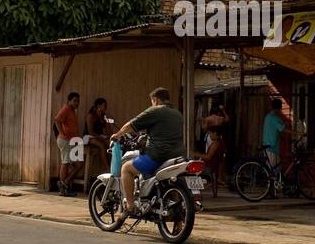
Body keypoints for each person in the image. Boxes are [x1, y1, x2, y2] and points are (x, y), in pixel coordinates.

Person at [110, 87, 185, 225]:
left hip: (158, 155)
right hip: (177, 155)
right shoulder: (177, 114)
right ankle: (178, 221)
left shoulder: (156, 110)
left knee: (126, 168)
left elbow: (131, 125)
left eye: (152, 101)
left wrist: (117, 135)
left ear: (155, 100)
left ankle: (130, 207)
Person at [53, 91, 82, 196]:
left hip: (73, 141)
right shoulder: (66, 109)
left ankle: (64, 183)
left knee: (78, 165)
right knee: (65, 163)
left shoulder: (72, 110)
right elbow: (57, 120)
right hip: (65, 140)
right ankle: (63, 188)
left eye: (78, 101)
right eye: (74, 101)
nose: (76, 103)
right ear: (69, 101)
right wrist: (62, 132)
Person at [199, 104, 229, 197]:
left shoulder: (208, 118)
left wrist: (202, 122)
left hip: (210, 136)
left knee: (209, 154)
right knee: (218, 157)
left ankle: (211, 176)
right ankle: (219, 177)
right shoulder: (220, 118)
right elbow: (228, 119)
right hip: (219, 136)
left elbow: (204, 128)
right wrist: (224, 111)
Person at [83, 97, 112, 186]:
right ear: (98, 106)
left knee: (111, 144)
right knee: (102, 145)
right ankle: (107, 169)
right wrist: (102, 138)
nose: (106, 107)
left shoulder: (103, 116)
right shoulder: (91, 116)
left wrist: (106, 121)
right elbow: (91, 131)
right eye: (104, 105)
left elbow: (108, 132)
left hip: (99, 136)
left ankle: (111, 166)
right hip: (88, 136)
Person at [261, 98, 291, 168]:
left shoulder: (268, 116)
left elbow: (274, 130)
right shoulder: (274, 118)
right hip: (272, 147)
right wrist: (298, 133)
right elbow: (283, 129)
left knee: (275, 168)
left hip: (268, 145)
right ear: (279, 108)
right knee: (274, 169)